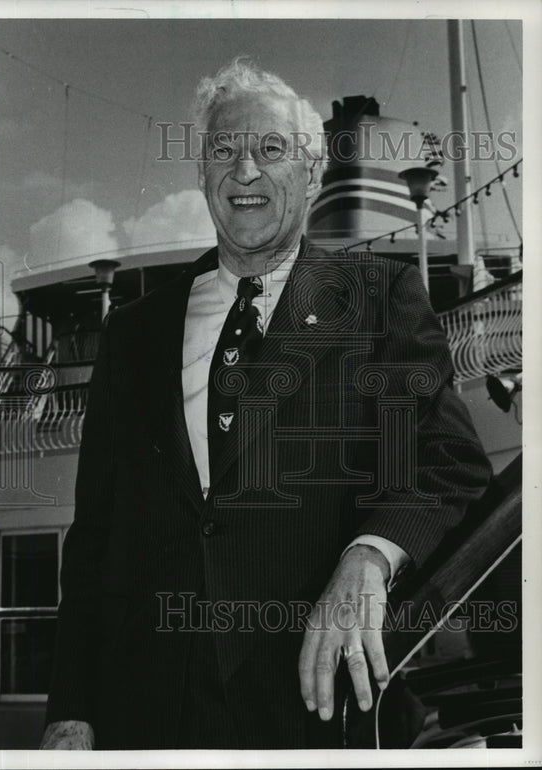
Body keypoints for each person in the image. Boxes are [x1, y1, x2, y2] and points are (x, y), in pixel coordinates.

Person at [41, 58, 491, 750]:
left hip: (311, 707)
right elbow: (94, 536)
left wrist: (368, 558)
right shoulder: (133, 333)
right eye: (224, 150)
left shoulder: (380, 300)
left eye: (270, 150)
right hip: (143, 712)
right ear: (201, 175)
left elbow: (445, 463)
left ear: (312, 175)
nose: (244, 171)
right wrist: (70, 708)